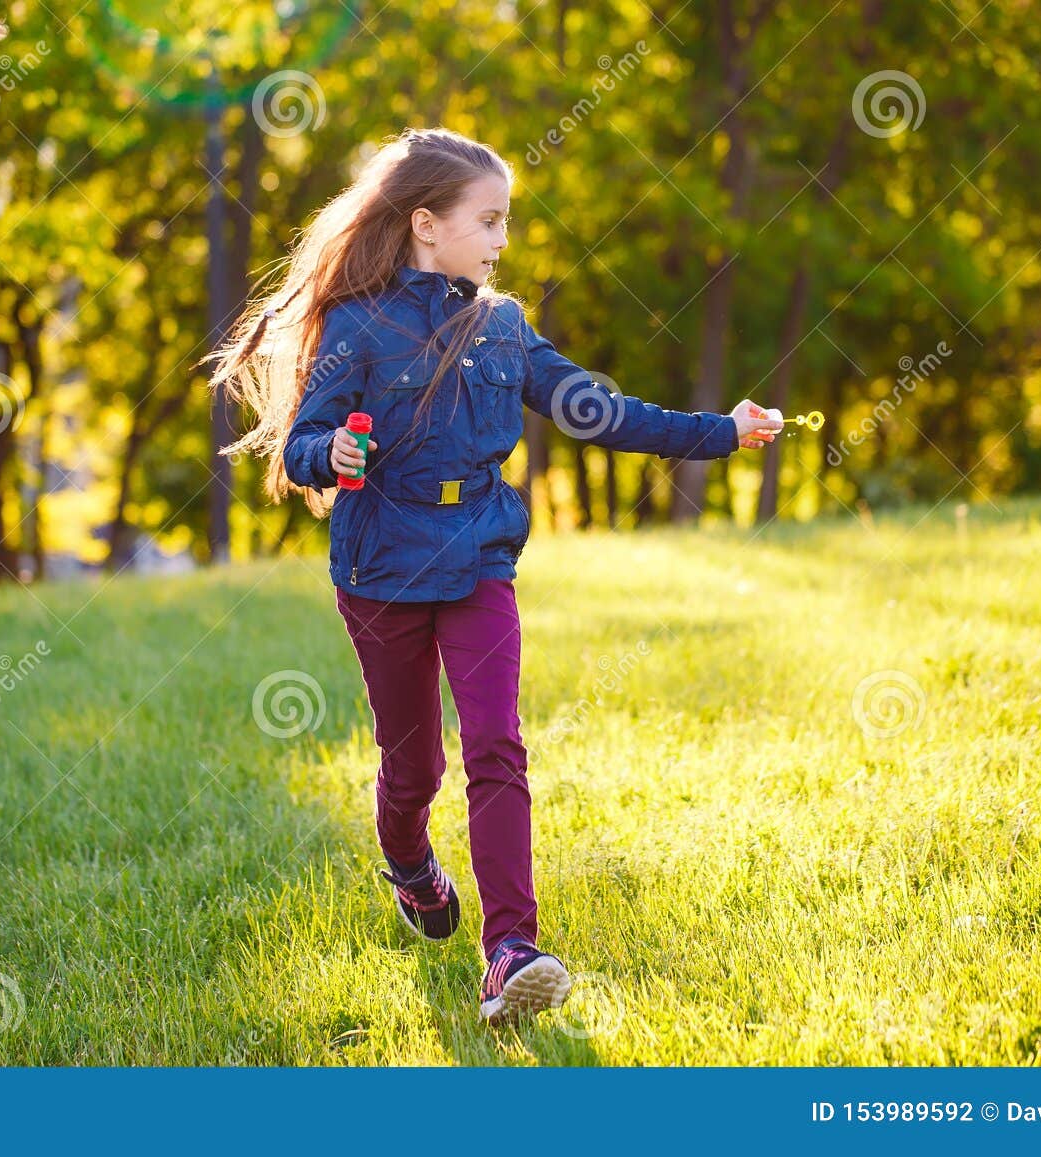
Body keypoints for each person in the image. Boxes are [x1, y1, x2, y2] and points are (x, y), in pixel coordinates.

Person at [207, 126, 783, 1025]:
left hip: (479, 554)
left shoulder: (503, 327)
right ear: (426, 224)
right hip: (382, 565)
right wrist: (339, 451)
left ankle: (510, 947)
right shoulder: (358, 325)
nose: (502, 241)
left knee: (496, 747)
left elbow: (601, 410)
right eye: (490, 221)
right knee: (415, 764)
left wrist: (722, 430)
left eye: (505, 223)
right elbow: (302, 443)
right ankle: (408, 865)